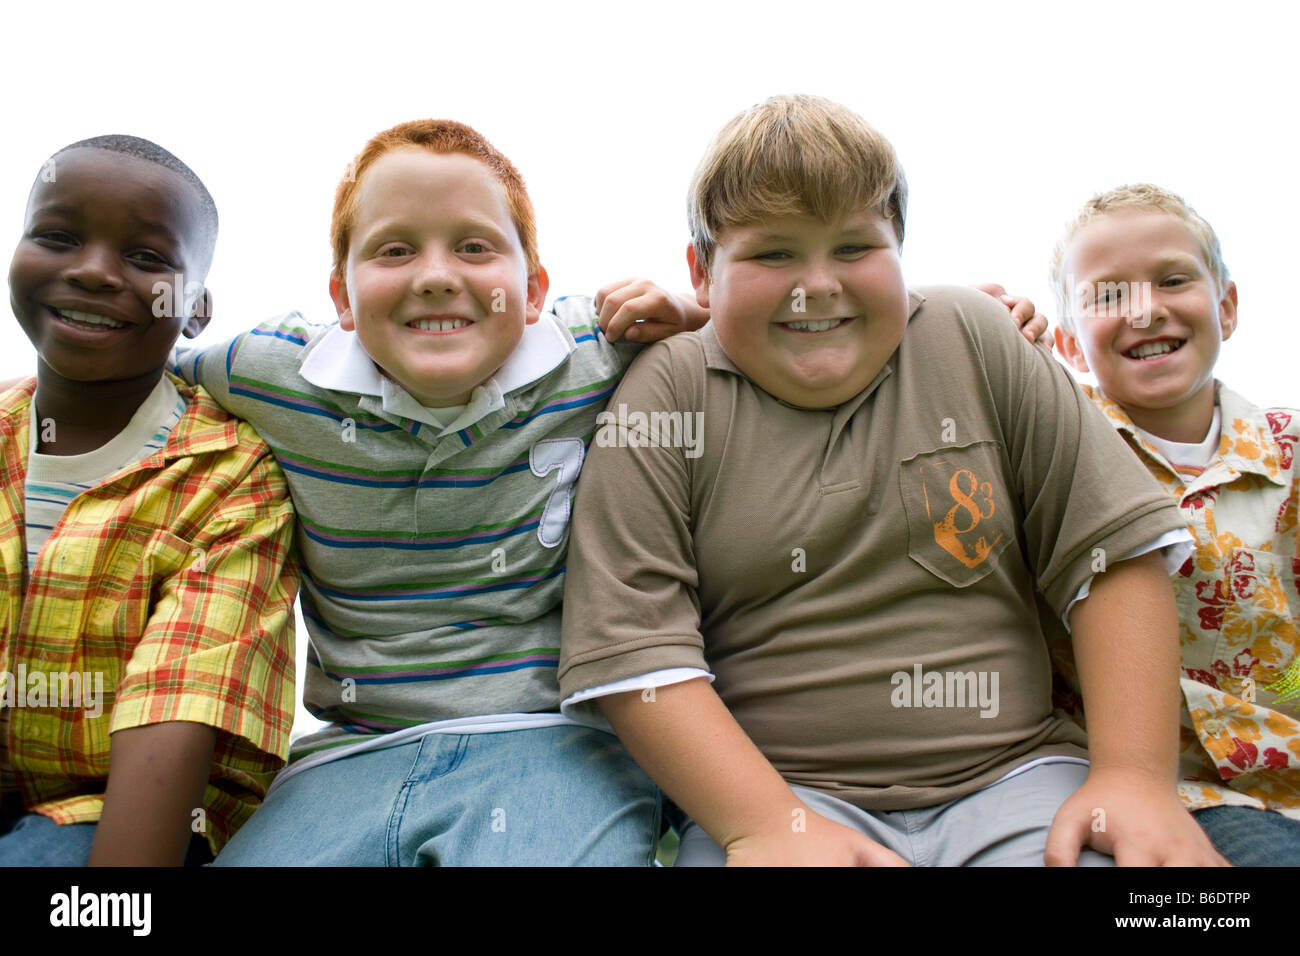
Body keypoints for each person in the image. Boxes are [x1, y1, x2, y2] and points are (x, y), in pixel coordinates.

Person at [556, 95, 1227, 866]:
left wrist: (1133, 780)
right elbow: (637, 652)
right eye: (773, 255)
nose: (817, 286)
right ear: (702, 272)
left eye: (853, 249)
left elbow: (1109, 555)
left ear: (902, 249)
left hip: (1017, 776)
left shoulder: (974, 338)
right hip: (780, 796)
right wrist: (766, 826)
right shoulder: (665, 393)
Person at [186, 119, 711, 866]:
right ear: (342, 294)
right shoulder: (271, 374)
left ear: (532, 291)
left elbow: (753, 343)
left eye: (473, 246)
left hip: (551, 739)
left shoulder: (596, 353)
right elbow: (134, 369)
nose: (435, 274)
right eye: (395, 250)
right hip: (347, 754)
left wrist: (692, 317)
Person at [0, 135, 298, 865]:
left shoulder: (231, 479)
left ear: (196, 310)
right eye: (58, 236)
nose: (95, 272)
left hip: (137, 817)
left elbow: (178, 708)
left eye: (145, 258)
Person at [1044, 183, 1300, 866]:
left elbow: (1290, 660)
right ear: (1067, 341)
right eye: (1108, 295)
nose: (1146, 310)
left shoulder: (1288, 452)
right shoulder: (1062, 444)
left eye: (1173, 279)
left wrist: (1284, 693)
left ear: (1228, 306)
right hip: (1178, 794)